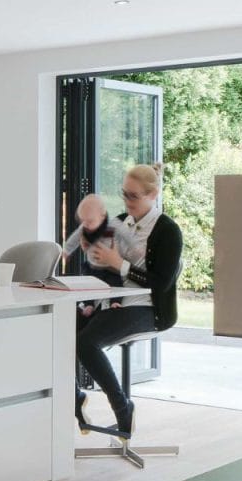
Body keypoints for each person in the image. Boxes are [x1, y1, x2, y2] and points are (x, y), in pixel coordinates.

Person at [74, 164, 183, 439]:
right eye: (124, 194)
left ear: (153, 194)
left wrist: (119, 264)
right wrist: (95, 259)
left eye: (133, 196)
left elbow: (160, 283)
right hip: (111, 302)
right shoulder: (120, 222)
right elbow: (96, 269)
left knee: (86, 342)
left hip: (148, 307)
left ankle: (122, 408)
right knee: (56, 329)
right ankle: (74, 398)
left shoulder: (168, 231)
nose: (127, 202)